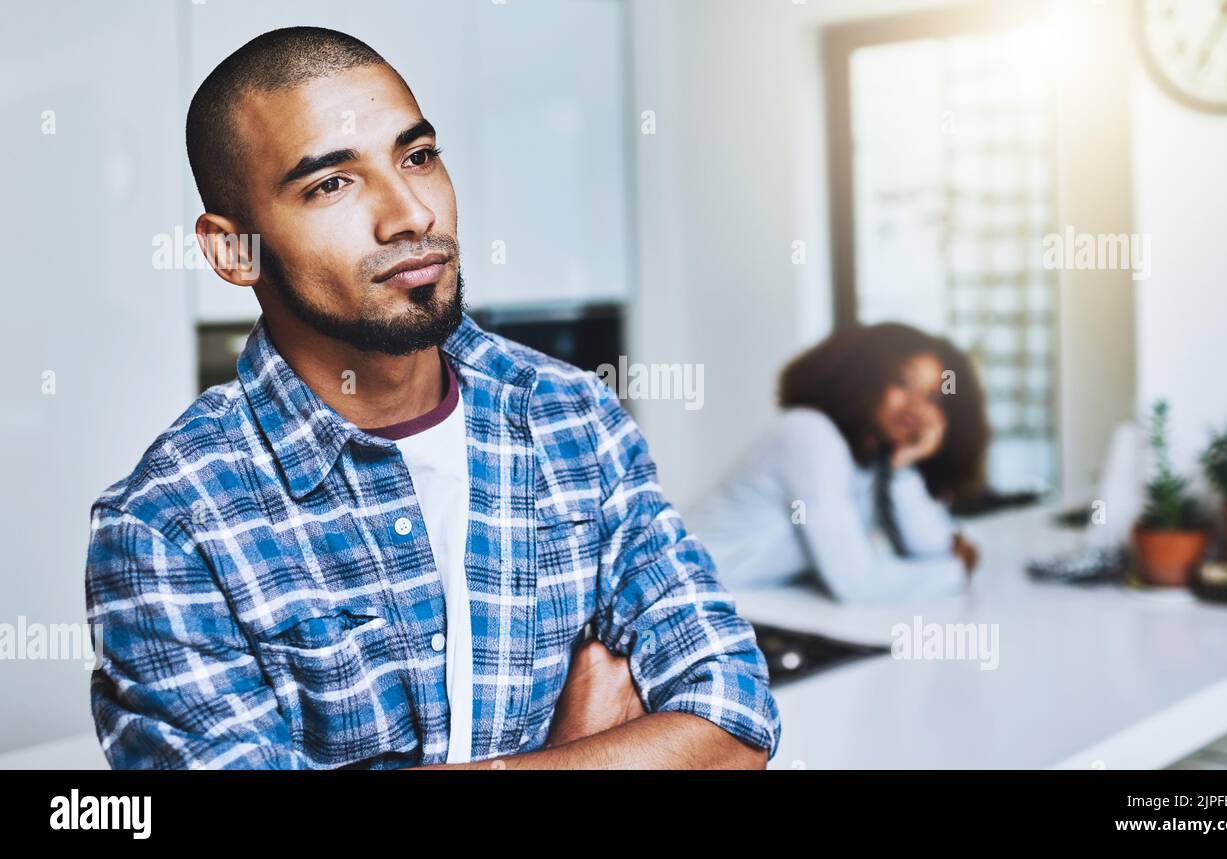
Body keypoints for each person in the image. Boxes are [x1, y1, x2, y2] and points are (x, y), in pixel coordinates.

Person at [83, 27, 778, 770]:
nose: (411, 214)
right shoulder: (168, 524)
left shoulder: (574, 416)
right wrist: (577, 753)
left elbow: (732, 722)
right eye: (331, 184)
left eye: (417, 157)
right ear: (234, 250)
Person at [685, 323, 990, 604]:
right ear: (864, 377)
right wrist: (956, 570)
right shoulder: (809, 432)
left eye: (931, 398)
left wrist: (903, 467)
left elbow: (930, 549)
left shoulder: (875, 458)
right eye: (902, 382)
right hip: (672, 594)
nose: (915, 406)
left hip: (746, 601)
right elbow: (857, 584)